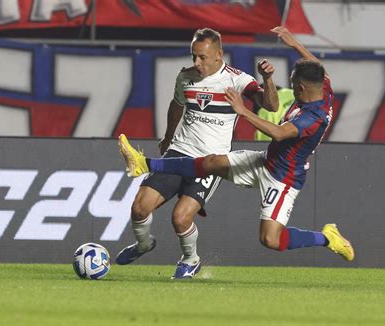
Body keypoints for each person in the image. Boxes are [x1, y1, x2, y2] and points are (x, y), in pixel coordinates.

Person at [117, 26, 355, 264]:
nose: (291, 91)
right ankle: (144, 163)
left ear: (302, 89)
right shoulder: (322, 86)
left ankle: (326, 237)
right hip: (263, 160)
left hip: (283, 178)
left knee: (270, 239)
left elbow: (280, 133)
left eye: (293, 87)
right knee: (212, 162)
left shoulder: (313, 117)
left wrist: (243, 110)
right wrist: (294, 44)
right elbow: (315, 66)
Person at [115, 27, 279, 279]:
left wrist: (267, 79)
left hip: (210, 162)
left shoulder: (237, 79)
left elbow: (270, 105)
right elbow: (176, 105)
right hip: (179, 152)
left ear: (218, 55)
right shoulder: (185, 77)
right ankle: (144, 245)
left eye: (202, 57)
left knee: (180, 219)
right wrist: (168, 137)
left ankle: (191, 259)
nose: (196, 62)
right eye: (194, 56)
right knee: (139, 208)